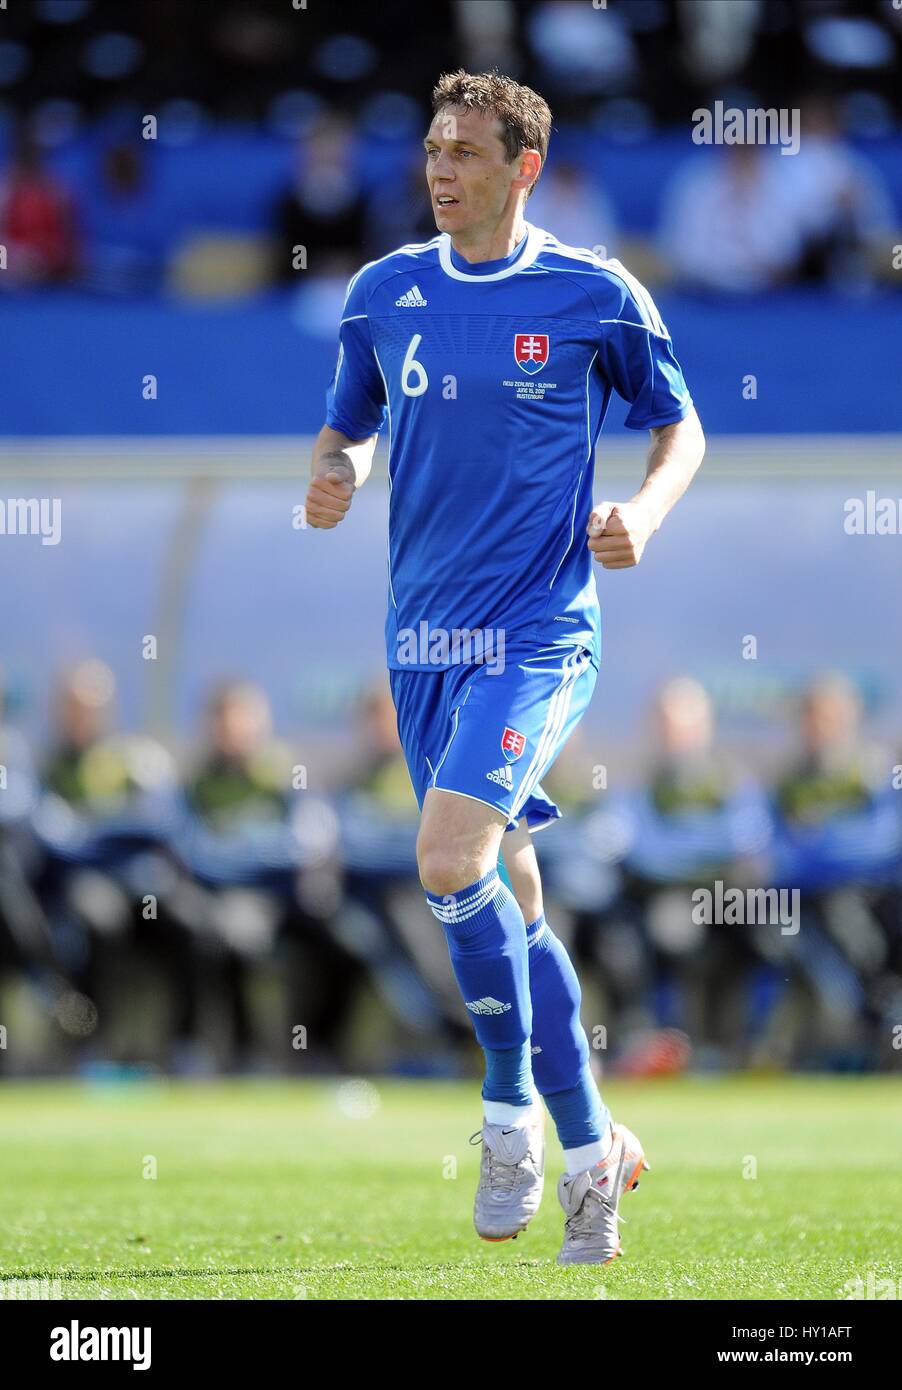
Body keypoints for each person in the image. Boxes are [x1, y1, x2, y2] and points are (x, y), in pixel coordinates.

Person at [304, 69, 705, 1266]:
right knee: (510, 907)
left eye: (467, 152)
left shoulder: (592, 292)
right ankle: (594, 1149)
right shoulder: (383, 292)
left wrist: (647, 508)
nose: (441, 168)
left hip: (536, 634)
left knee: (446, 857)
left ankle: (503, 1116)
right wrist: (337, 471)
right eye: (432, 147)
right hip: (419, 641)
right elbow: (350, 423)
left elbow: (679, 422)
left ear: (523, 168)